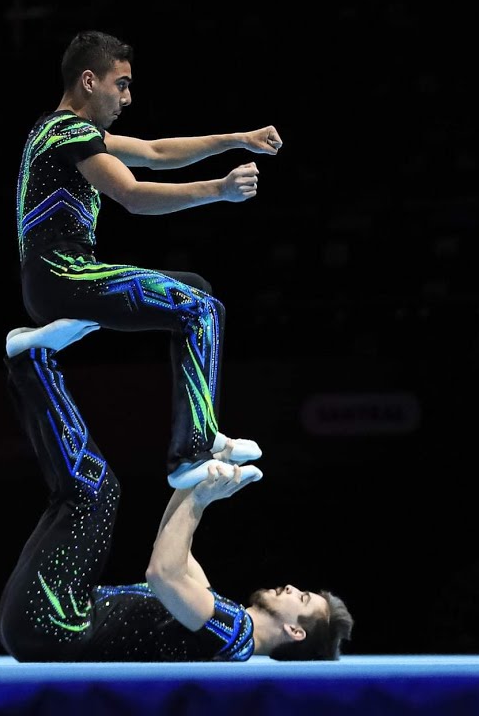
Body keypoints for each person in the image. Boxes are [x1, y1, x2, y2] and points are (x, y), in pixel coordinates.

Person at [14, 30, 282, 488]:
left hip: (54, 277)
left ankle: (202, 428)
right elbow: (133, 196)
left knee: (196, 289)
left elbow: (156, 153)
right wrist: (220, 190)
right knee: (200, 310)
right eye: (121, 84)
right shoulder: (68, 132)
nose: (128, 98)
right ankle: (189, 453)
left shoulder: (63, 132)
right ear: (89, 81)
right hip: (63, 274)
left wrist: (239, 139)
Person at [0, 320, 355, 662]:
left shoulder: (236, 635)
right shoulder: (217, 616)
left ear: (295, 632)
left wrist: (199, 499)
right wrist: (200, 471)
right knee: (84, 492)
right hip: (47, 623)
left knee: (97, 491)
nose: (291, 587)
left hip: (56, 624)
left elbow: (162, 573)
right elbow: (170, 547)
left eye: (302, 599)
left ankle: (32, 362)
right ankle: (29, 365)